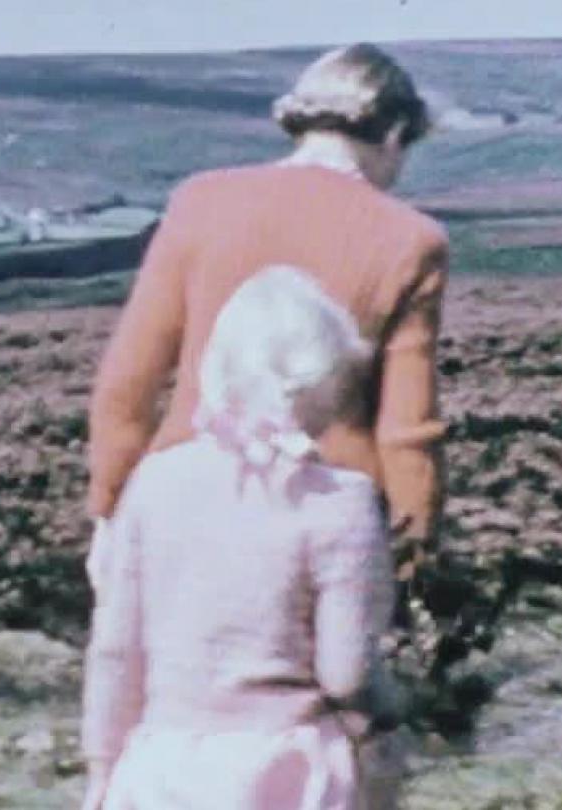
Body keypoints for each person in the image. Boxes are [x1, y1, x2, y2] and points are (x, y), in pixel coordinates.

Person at [88, 43, 449, 575]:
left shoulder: (200, 201)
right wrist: (416, 550)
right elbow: (407, 429)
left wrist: (109, 509)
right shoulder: (413, 238)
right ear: (395, 134)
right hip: (333, 517)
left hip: (186, 503)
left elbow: (128, 385)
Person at [80, 267, 404, 810]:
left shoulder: (155, 482)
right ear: (327, 380)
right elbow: (346, 671)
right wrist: (383, 727)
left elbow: (116, 649)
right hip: (289, 770)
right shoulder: (340, 502)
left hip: (164, 769)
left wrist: (102, 767)